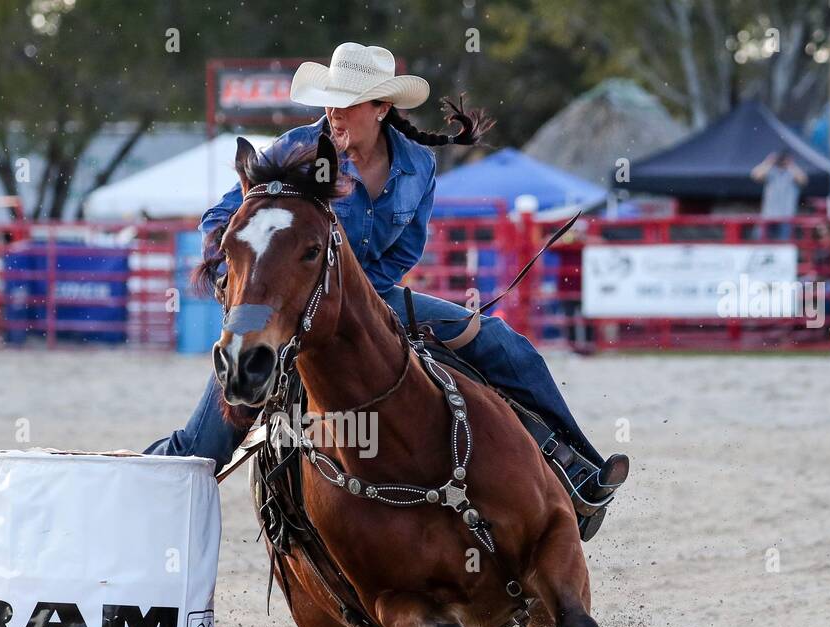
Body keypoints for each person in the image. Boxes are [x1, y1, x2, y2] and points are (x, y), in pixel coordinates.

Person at [146, 42, 628, 540]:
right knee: (205, 444)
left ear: (381, 108)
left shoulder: (418, 166)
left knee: (505, 345)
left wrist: (365, 300)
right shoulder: (295, 152)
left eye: (349, 102)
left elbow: (407, 248)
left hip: (375, 300)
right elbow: (223, 219)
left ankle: (578, 474)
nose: (333, 112)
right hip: (287, 310)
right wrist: (235, 280)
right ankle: (131, 488)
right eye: (330, 100)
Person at [751, 150, 808, 235]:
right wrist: (768, 162)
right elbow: (755, 175)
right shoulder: (770, 172)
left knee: (785, 245)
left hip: (786, 218)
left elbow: (803, 180)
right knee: (761, 243)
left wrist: (791, 164)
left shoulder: (793, 172)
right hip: (768, 217)